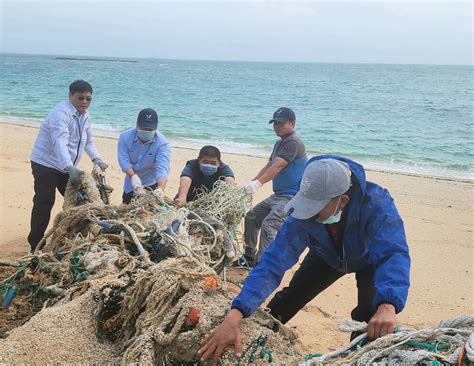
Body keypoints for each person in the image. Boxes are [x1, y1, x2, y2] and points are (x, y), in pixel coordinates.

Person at [198, 156, 411, 363]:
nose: (308, 214)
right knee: (291, 297)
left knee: (370, 314)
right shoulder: (303, 216)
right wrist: (237, 313)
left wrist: (388, 304)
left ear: (342, 201)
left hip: (369, 259)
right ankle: (259, 337)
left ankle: (356, 359)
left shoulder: (377, 205)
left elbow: (393, 254)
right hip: (326, 255)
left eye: (315, 208)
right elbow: (273, 263)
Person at [28, 80, 108, 253]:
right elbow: (60, 143)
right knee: (44, 201)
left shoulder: (85, 115)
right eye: (81, 98)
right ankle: (35, 245)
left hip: (67, 166)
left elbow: (88, 141)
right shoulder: (60, 114)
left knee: (82, 200)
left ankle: (75, 238)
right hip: (46, 164)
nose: (85, 102)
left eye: (88, 99)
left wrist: (96, 159)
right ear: (70, 95)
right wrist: (69, 167)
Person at [240, 107, 307, 266]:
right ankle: (249, 257)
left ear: (292, 123)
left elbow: (278, 166)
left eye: (281, 123)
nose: (277, 126)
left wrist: (258, 184)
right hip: (278, 195)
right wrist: (252, 182)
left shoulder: (293, 142)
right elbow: (269, 165)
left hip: (292, 196)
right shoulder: (280, 143)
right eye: (275, 123)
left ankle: (263, 265)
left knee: (269, 224)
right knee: (252, 217)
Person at [118, 108, 171, 204]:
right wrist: (133, 177)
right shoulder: (125, 137)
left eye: (150, 129)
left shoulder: (163, 144)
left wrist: (161, 189)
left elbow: (163, 167)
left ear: (156, 128)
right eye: (143, 128)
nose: (146, 131)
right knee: (126, 210)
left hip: (151, 183)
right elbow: (123, 161)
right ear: (137, 125)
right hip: (131, 183)